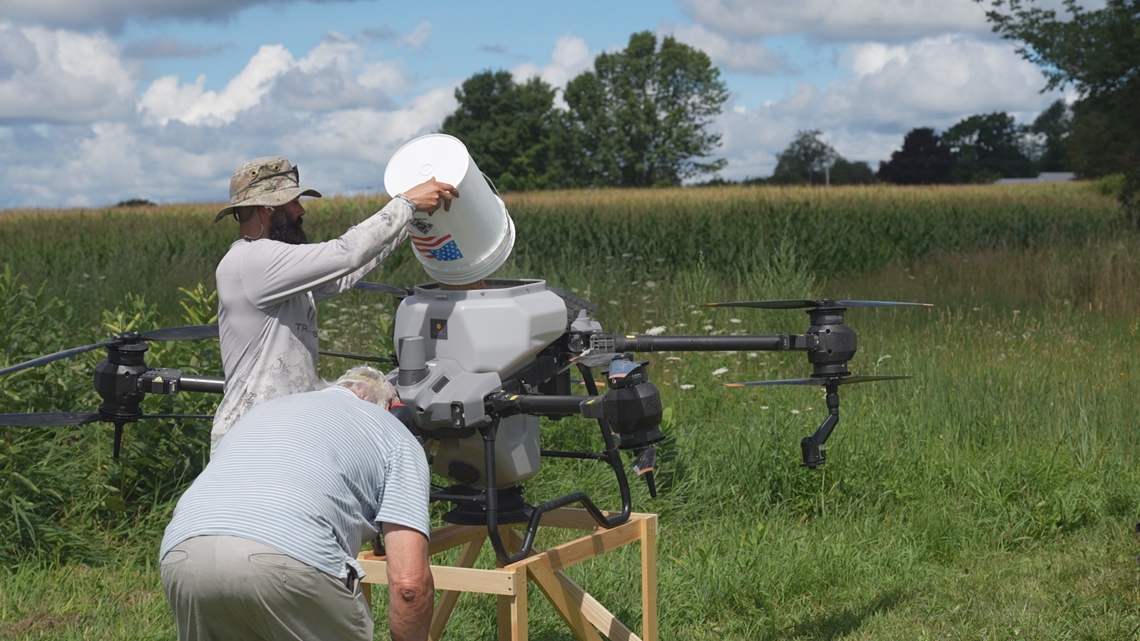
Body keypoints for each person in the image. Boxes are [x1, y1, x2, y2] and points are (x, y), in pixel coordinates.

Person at [160, 366, 433, 641]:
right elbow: (408, 586)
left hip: (184, 553)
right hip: (293, 555)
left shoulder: (263, 412)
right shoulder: (396, 435)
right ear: (394, 409)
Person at [210, 155, 458, 453]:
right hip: (251, 441)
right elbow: (344, 254)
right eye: (293, 202)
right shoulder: (252, 261)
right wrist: (406, 205)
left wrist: (408, 224)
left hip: (275, 433)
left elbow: (343, 274)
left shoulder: (273, 269)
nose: (301, 210)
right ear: (268, 207)